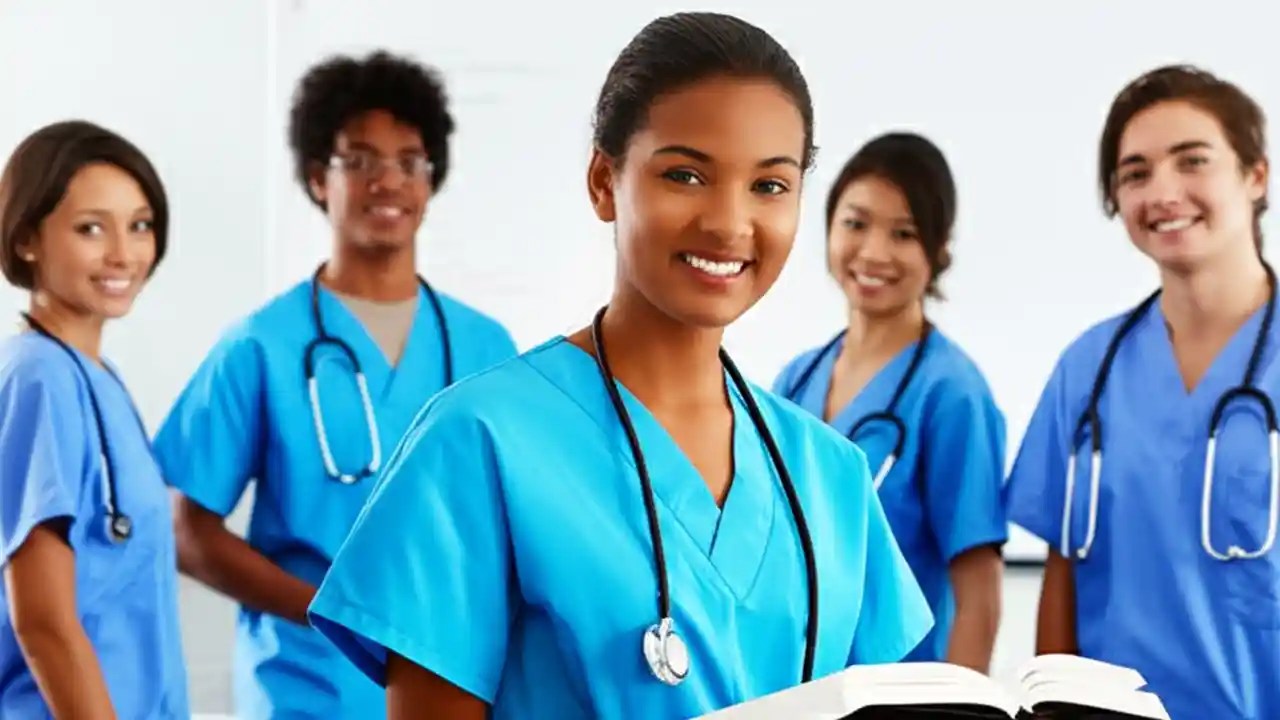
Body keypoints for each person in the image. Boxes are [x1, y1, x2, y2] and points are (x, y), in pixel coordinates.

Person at [306, 12, 933, 720]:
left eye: (769, 186)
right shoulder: (479, 439)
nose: (730, 223)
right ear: (605, 182)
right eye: (686, 174)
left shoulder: (832, 476)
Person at [151, 51, 518, 718]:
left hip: (452, 679)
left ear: (431, 183)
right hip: (305, 683)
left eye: (410, 161)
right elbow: (185, 530)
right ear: (320, 177)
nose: (389, 181)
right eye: (362, 160)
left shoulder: (485, 346)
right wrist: (324, 613)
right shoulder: (261, 344)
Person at [1005, 64, 1276, 719]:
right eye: (1135, 173)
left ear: (1255, 176)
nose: (1163, 192)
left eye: (1193, 161)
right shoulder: (1089, 366)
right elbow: (1064, 567)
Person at [772, 132, 1006, 672]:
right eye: (855, 223)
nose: (874, 252)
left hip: (900, 694)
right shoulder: (796, 380)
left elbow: (978, 590)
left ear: (939, 248)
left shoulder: (951, 392)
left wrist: (963, 714)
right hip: (796, 685)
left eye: (904, 233)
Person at [0, 120, 189, 718]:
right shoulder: (41, 378)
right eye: (91, 229)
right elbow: (44, 621)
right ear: (28, 237)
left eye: (140, 226)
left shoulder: (93, 376)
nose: (122, 254)